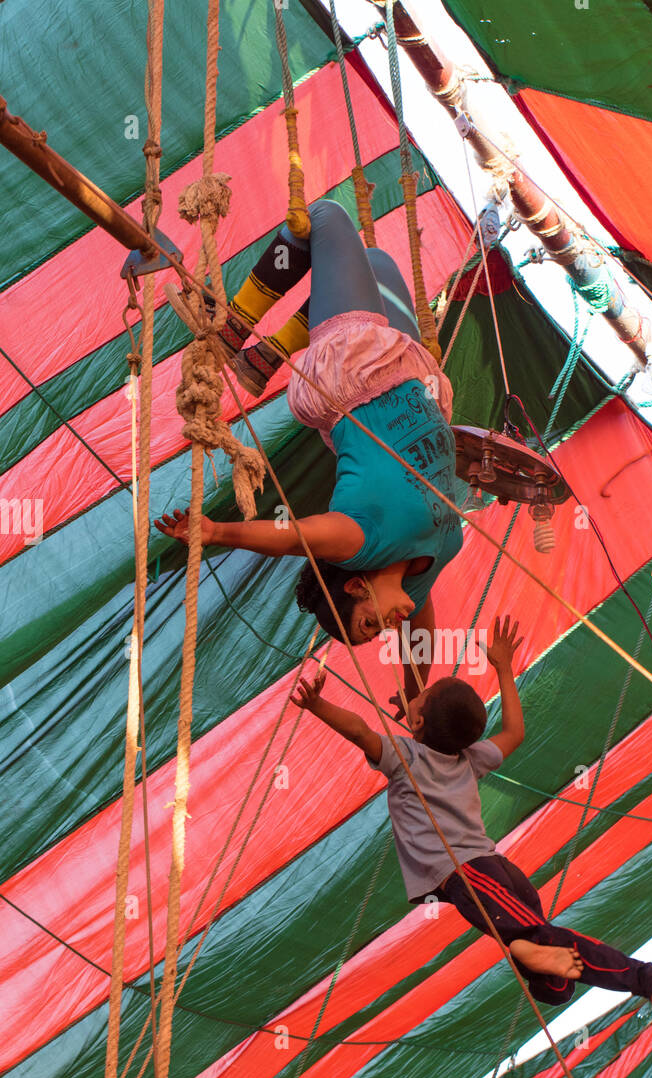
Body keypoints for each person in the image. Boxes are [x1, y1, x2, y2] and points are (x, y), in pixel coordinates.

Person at [291, 614, 652, 1038]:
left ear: (417, 724)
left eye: (417, 703)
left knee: (536, 939)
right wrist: (504, 669)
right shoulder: (468, 758)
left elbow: (360, 731)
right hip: (499, 871)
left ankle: (648, 978)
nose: (411, 700)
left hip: (470, 874)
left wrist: (317, 706)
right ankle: (546, 965)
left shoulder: (406, 757)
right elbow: (514, 730)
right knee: (552, 986)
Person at [156, 199, 462, 706]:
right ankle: (261, 358)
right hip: (417, 378)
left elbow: (289, 537)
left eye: (369, 625)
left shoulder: (358, 541)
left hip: (357, 372)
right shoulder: (422, 576)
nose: (388, 628)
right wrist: (414, 698)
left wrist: (216, 532)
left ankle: (234, 326)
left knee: (324, 217)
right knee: (378, 261)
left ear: (355, 589)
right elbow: (421, 642)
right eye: (379, 634)